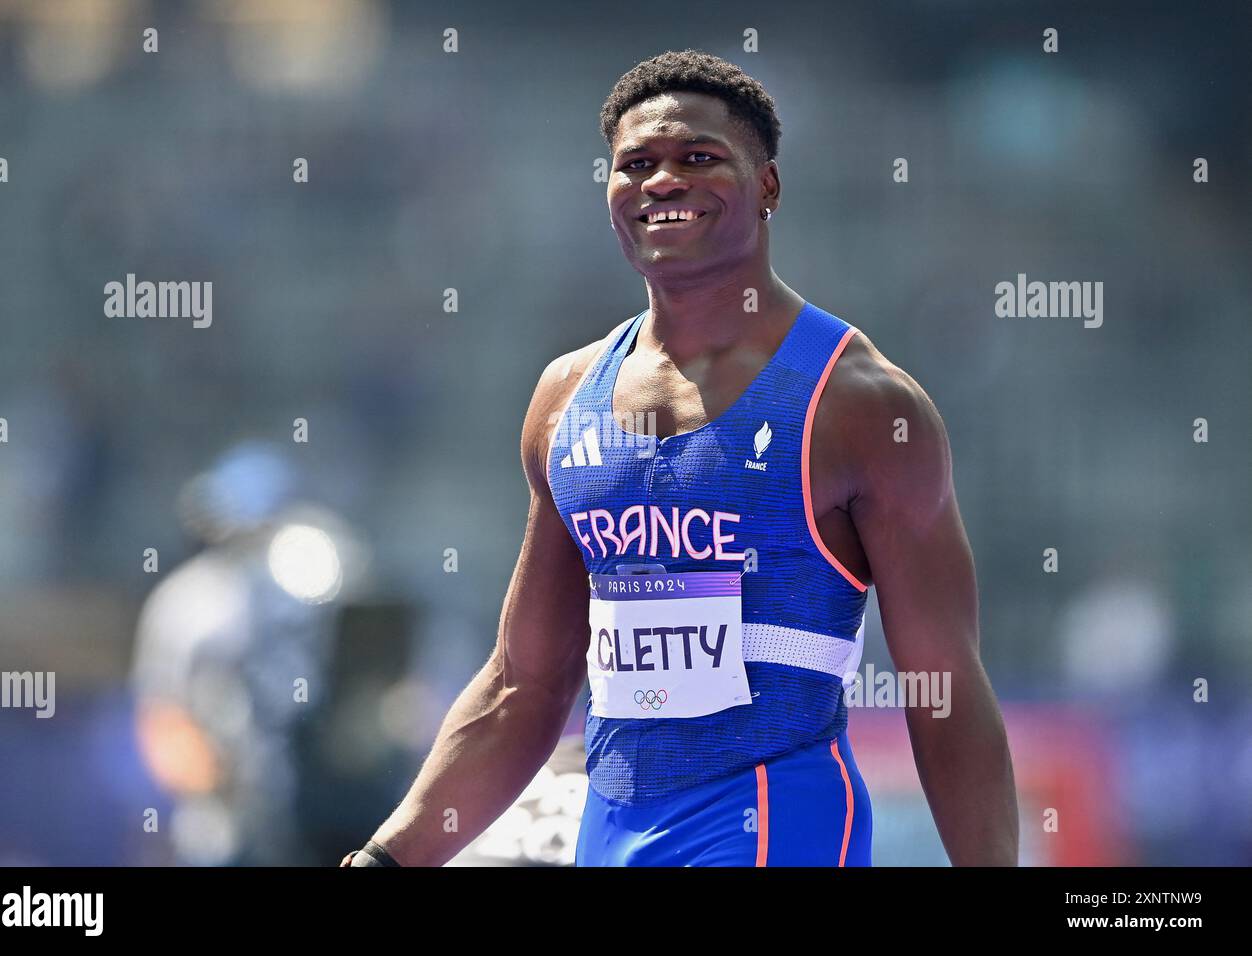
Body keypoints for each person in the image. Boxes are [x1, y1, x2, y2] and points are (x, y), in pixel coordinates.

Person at [344, 49, 1017, 867]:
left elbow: (942, 687)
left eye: (699, 157)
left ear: (767, 186)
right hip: (612, 826)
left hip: (774, 822)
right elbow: (526, 684)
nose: (662, 181)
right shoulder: (565, 398)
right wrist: (382, 859)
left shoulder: (863, 406)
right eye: (637, 164)